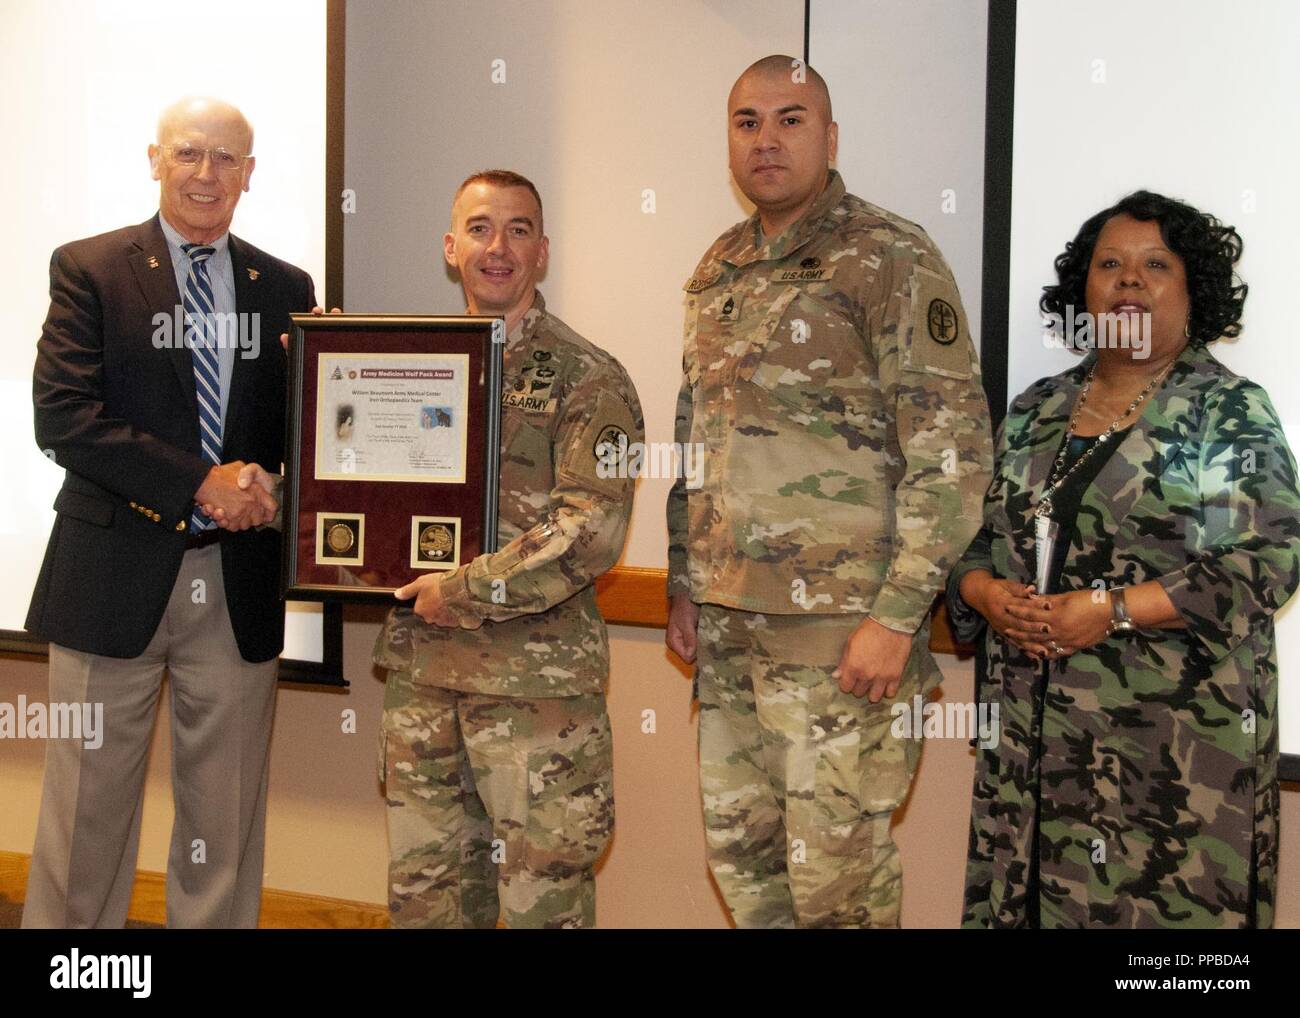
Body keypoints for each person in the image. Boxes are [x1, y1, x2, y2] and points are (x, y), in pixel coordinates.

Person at [665, 55, 993, 928]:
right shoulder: (718, 267)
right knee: (747, 868)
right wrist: (681, 582)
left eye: (789, 119)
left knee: (836, 888)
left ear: (831, 135)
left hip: (843, 637)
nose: (765, 140)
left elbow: (953, 453)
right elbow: (697, 433)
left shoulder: (889, 255)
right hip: (732, 626)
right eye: (746, 122)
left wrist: (895, 619)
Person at [947, 190, 1300, 929]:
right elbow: (976, 537)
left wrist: (1108, 611)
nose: (1129, 281)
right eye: (1110, 265)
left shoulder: (1226, 411)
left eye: (1155, 266)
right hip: (1030, 759)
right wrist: (982, 592)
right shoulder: (1035, 409)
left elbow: (1266, 558)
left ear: (1191, 290)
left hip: (1168, 769)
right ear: (1085, 289)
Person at [22, 97, 315, 928]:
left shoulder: (286, 287)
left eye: (227, 159)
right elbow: (65, 417)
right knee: (84, 823)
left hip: (234, 588)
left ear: (250, 175)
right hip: (111, 580)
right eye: (189, 154)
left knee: (222, 828)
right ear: (155, 160)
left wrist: (285, 463)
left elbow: (300, 435)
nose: (206, 174)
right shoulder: (91, 268)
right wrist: (199, 482)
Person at [372, 170, 643, 928]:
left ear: (543, 252)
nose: (499, 247)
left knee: (539, 905)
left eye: (519, 230)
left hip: (537, 691)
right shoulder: (413, 365)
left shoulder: (591, 379)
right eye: (482, 228)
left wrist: (462, 589)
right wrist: (330, 376)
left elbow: (590, 530)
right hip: (425, 678)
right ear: (451, 247)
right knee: (427, 902)